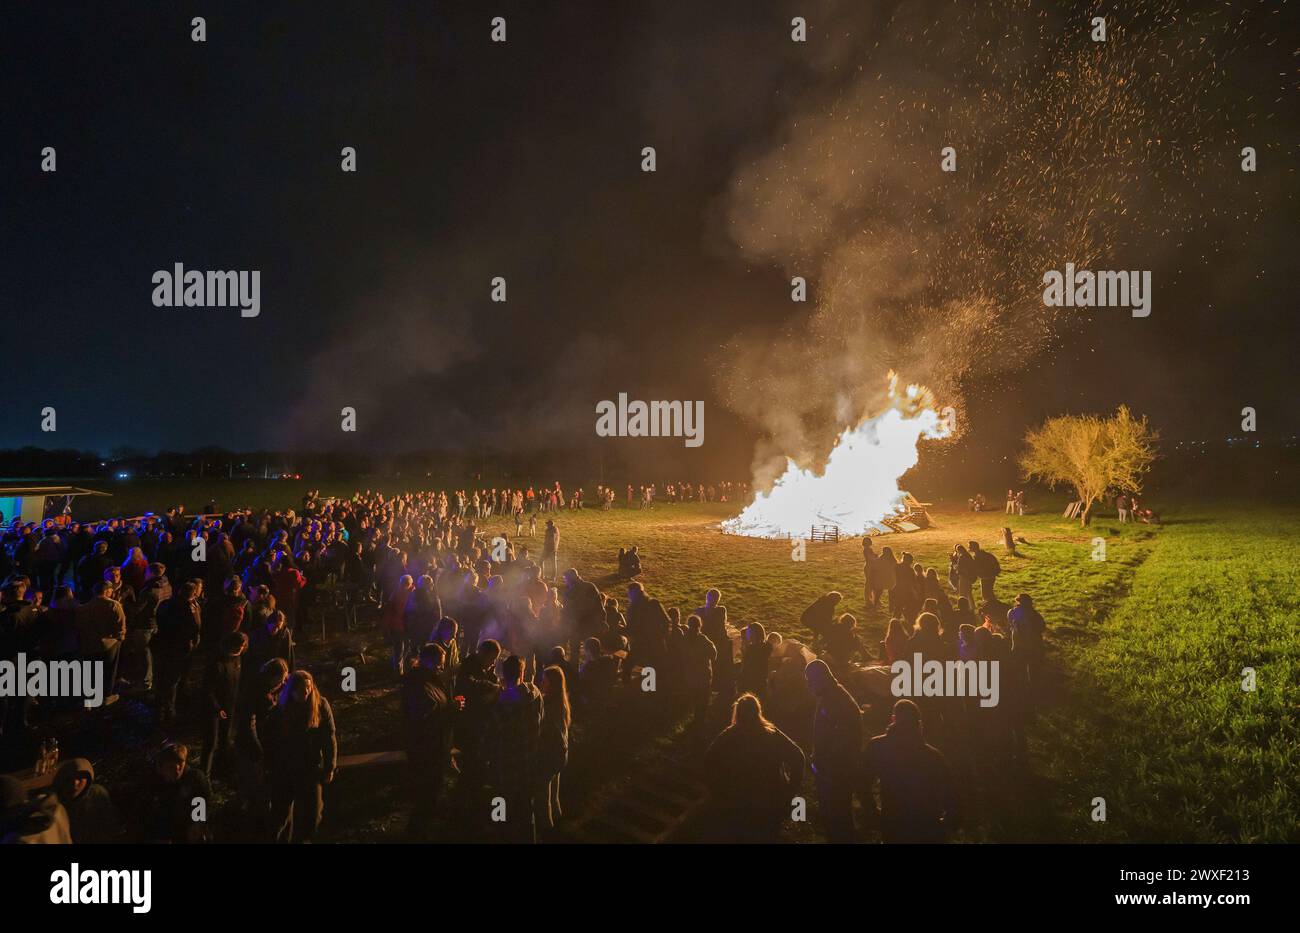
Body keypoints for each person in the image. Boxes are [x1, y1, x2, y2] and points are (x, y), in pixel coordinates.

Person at [703, 693, 805, 842]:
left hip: (739, 802)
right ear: (758, 712)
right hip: (770, 802)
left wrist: (719, 790)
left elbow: (709, 759)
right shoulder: (771, 734)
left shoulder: (731, 735)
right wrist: (790, 789)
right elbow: (798, 757)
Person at [861, 699, 960, 843]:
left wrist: (873, 813)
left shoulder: (878, 747)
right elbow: (951, 796)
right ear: (919, 723)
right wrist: (948, 824)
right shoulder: (932, 756)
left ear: (893, 719)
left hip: (893, 825)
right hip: (927, 828)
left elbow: (861, 783)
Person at [265, 670, 337, 843]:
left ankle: (306, 839)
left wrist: (330, 766)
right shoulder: (280, 711)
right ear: (291, 690)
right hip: (286, 767)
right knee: (281, 813)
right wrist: (269, 766)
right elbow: (271, 741)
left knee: (313, 812)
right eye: (301, 689)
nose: (305, 692)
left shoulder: (320, 706)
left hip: (310, 767)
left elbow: (329, 737)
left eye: (308, 688)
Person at [401, 642, 457, 840]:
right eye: (439, 664)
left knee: (432, 792)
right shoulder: (418, 683)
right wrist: (451, 707)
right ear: (428, 661)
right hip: (425, 750)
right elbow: (423, 716)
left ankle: (421, 828)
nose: (441, 667)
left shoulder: (429, 679)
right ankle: (417, 832)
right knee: (426, 793)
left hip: (436, 747)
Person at [484, 654, 543, 843]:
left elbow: (490, 736)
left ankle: (498, 834)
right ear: (522, 672)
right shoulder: (535, 694)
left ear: (503, 674)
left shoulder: (501, 704)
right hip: (527, 762)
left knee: (499, 802)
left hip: (504, 765)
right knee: (525, 809)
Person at [804, 659, 862, 843]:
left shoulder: (834, 701)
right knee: (836, 814)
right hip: (834, 767)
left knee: (837, 815)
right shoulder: (832, 695)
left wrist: (825, 765)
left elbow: (842, 740)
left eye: (810, 681)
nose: (808, 686)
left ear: (819, 679)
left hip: (836, 770)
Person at [154, 578, 203, 726]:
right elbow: (195, 626)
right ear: (193, 594)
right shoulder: (189, 608)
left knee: (164, 677)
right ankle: (168, 711)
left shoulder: (166, 604)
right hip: (179, 648)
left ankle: (162, 707)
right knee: (173, 679)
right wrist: (193, 640)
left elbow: (159, 619)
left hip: (166, 645)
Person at [141, 743, 212, 843]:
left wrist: (197, 823)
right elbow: (149, 809)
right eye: (170, 767)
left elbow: (200, 801)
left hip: (187, 826)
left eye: (181, 765)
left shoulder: (194, 778)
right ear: (160, 767)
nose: (177, 771)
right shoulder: (154, 781)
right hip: (164, 827)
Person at [201, 632, 247, 776]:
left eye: (243, 646)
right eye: (239, 646)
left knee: (225, 738)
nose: (241, 649)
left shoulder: (237, 659)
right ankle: (205, 773)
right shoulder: (217, 664)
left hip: (230, 705)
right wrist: (217, 708)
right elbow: (207, 689)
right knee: (211, 742)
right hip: (213, 710)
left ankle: (221, 768)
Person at [536, 665, 570, 835]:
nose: (540, 683)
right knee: (554, 787)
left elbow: (541, 730)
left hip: (550, 754)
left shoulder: (548, 705)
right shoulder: (562, 702)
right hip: (561, 753)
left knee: (542, 792)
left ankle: (546, 825)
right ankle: (557, 815)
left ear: (552, 684)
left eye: (544, 681)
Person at [53, 757, 118, 843]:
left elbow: (107, 827)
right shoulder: (54, 804)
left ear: (88, 780)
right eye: (69, 779)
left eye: (80, 778)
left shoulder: (97, 794)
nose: (74, 783)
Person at [680, 615, 717, 727]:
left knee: (694, 696)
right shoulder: (703, 640)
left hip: (690, 674)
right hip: (704, 674)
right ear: (700, 626)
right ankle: (700, 719)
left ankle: (694, 716)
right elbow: (714, 654)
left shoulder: (684, 639)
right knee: (703, 699)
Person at [1007, 593, 1047, 690]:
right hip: (1033, 645)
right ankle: (1034, 688)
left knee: (1020, 667)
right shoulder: (1034, 615)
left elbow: (1010, 624)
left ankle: (1021, 688)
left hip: (1018, 644)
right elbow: (1042, 627)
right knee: (1033, 668)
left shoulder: (1011, 612)